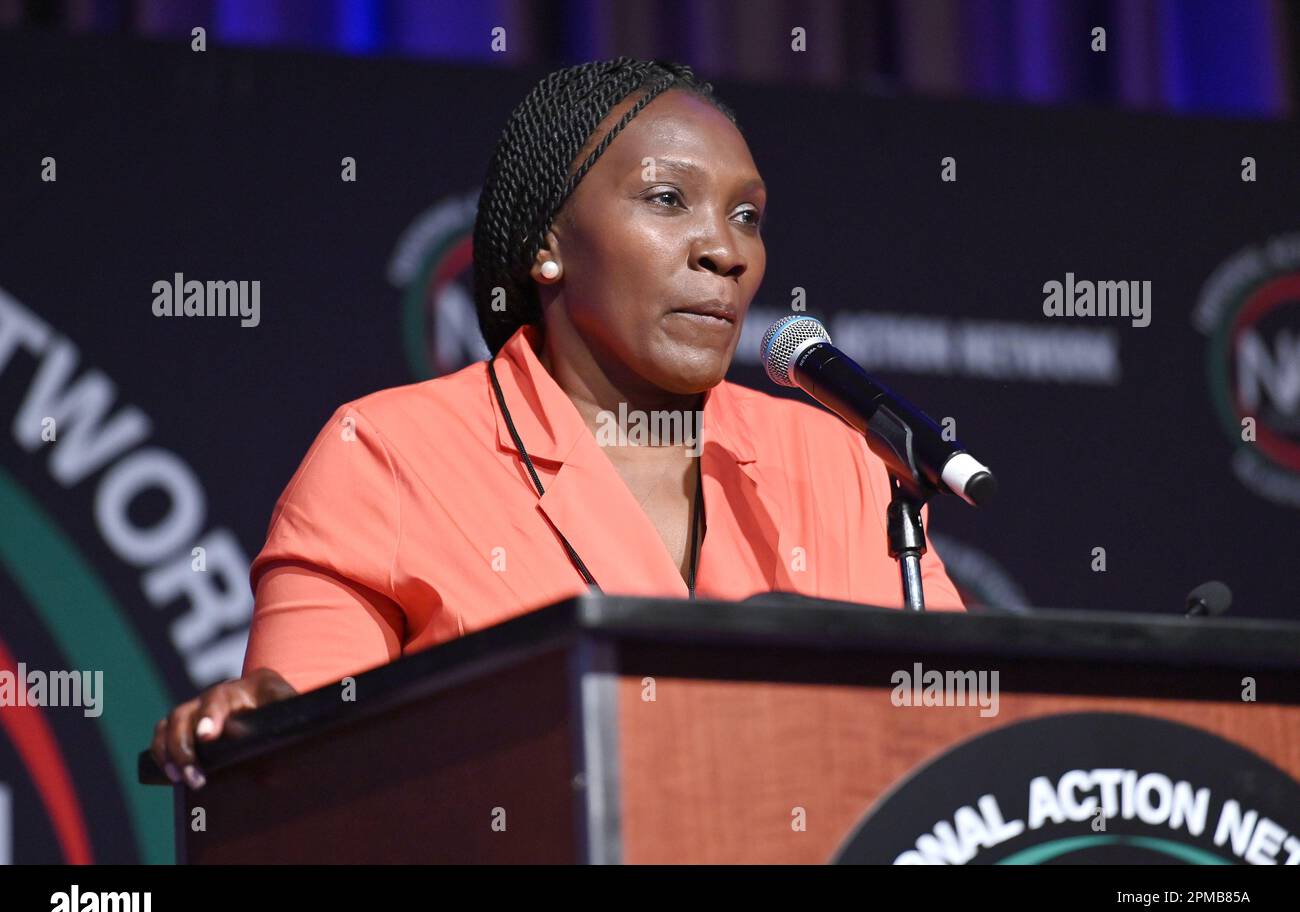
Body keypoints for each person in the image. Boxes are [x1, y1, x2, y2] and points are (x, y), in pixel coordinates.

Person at [149, 57, 966, 791]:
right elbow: (306, 752)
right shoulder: (390, 457)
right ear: (548, 245)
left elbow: (972, 747)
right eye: (668, 199)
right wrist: (260, 721)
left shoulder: (843, 464)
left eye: (747, 215)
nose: (726, 250)